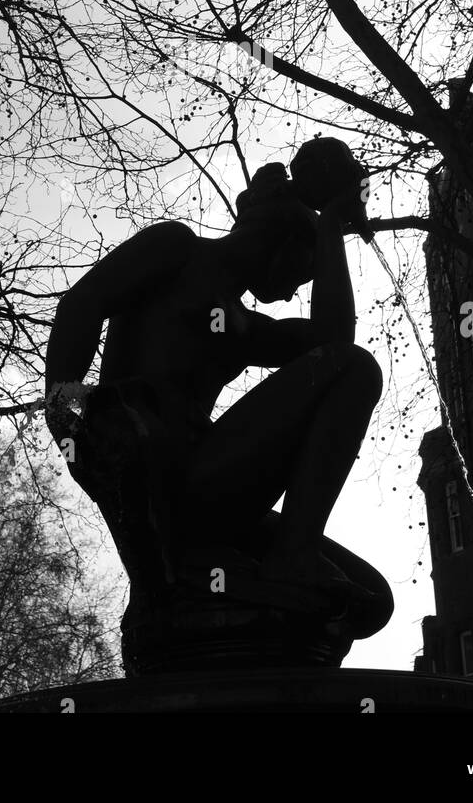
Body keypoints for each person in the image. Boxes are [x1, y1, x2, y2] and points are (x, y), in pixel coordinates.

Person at [45, 161, 392, 630]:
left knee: (372, 600)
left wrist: (331, 227)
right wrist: (68, 419)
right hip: (164, 475)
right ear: (284, 243)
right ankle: (289, 559)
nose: (293, 294)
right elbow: (81, 306)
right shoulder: (177, 248)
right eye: (302, 276)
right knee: (356, 369)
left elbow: (333, 339)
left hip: (205, 482)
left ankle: (290, 557)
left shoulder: (242, 326)